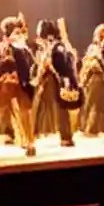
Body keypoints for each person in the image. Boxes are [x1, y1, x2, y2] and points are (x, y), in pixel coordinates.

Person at [0, 16, 36, 157]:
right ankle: (29, 143)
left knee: (2, 113)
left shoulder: (9, 44)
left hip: (10, 82)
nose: (19, 32)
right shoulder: (14, 45)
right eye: (17, 30)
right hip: (13, 81)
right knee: (20, 112)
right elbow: (17, 65)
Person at [30, 19, 81, 148]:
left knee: (58, 108)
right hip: (49, 81)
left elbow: (63, 66)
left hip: (56, 81)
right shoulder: (51, 46)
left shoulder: (57, 47)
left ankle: (65, 136)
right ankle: (35, 134)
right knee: (44, 107)